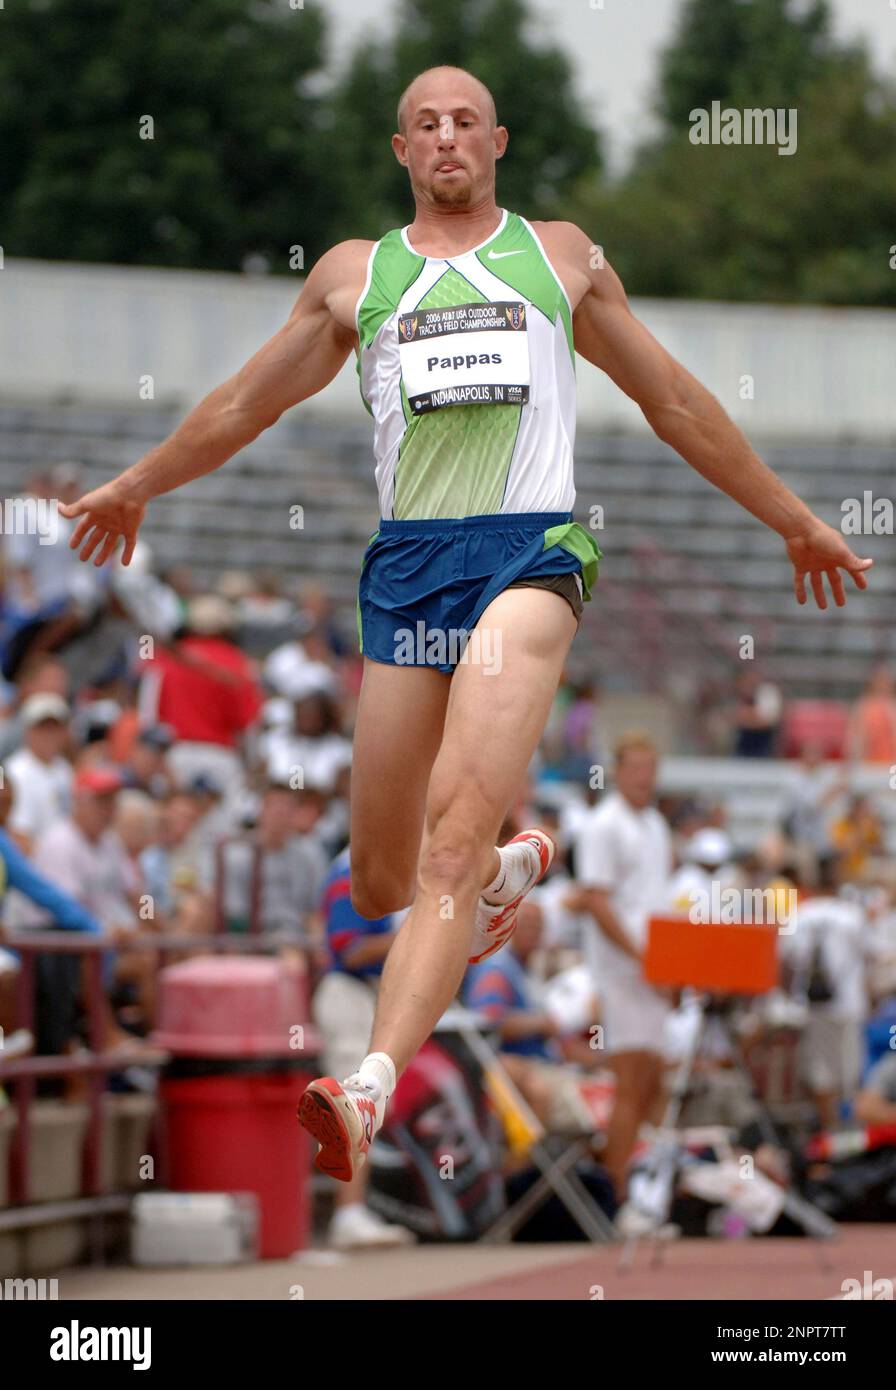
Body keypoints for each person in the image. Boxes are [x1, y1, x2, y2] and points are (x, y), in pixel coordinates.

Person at [58, 65, 872, 1183]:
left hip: (529, 554)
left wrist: (794, 520)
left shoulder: (559, 256)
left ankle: (366, 1085)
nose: (446, 137)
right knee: (380, 882)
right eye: (425, 124)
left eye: (465, 122)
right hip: (408, 567)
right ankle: (501, 871)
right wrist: (137, 484)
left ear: (496, 141)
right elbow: (247, 402)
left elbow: (672, 398)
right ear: (402, 150)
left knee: (445, 838)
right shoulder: (354, 276)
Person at [573, 732, 673, 1198]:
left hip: (653, 970)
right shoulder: (603, 825)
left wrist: (665, 963)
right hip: (621, 972)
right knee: (631, 1083)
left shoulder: (656, 825)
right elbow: (595, 899)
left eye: (649, 768)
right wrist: (641, 957)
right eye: (634, 768)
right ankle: (615, 1194)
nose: (643, 778)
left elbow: (656, 902)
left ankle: (640, 1188)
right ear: (617, 772)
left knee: (653, 1083)